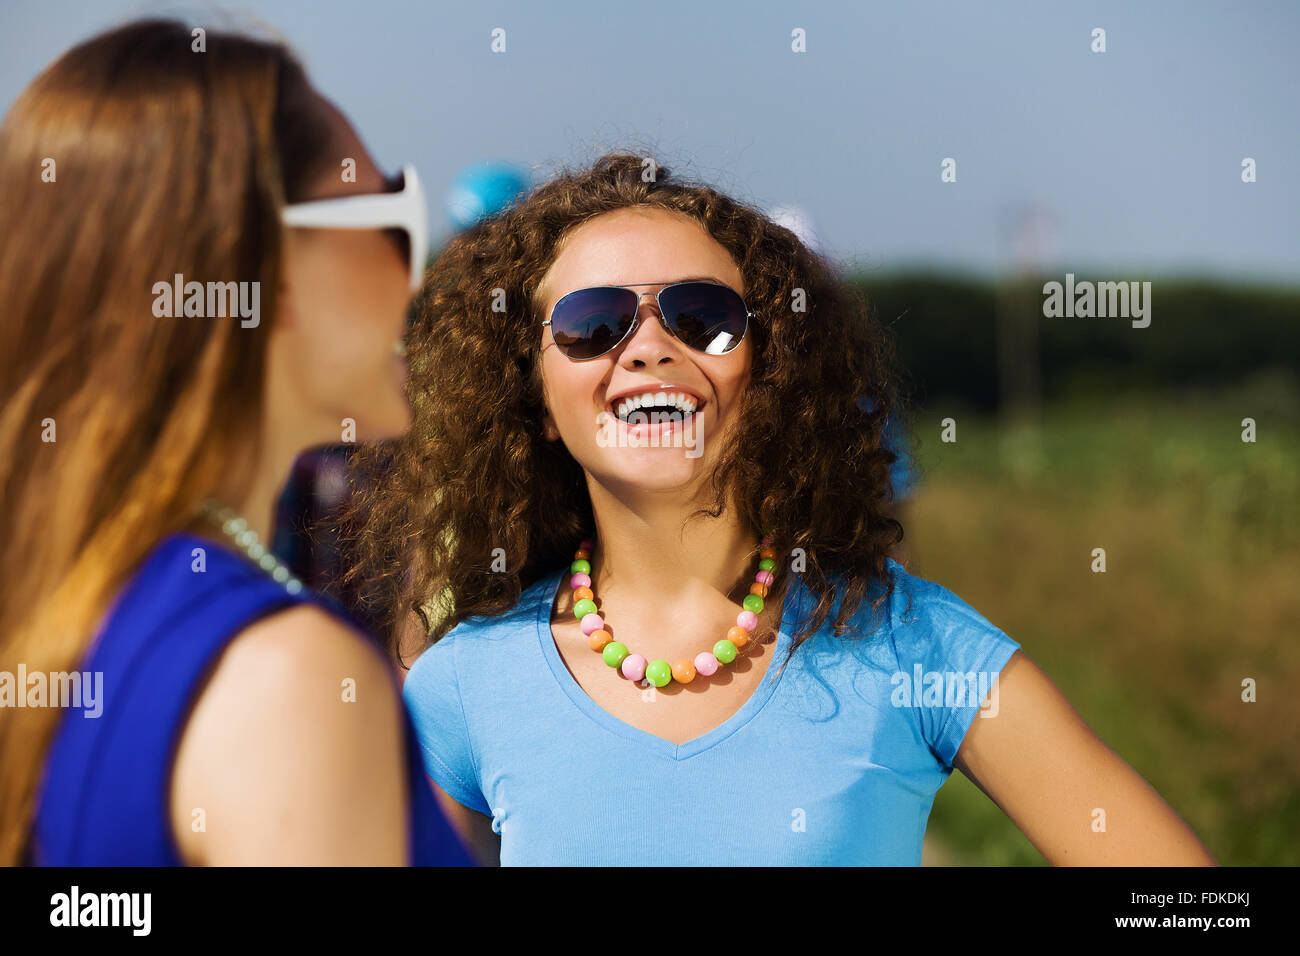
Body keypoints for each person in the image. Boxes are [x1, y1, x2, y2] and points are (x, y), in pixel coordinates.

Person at [346, 152, 1216, 866]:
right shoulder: (466, 682)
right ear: (536, 396)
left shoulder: (909, 641)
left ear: (769, 373)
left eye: (702, 317)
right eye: (591, 323)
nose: (649, 346)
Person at [0, 19, 470, 865]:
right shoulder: (287, 680)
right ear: (269, 269)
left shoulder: (66, 608)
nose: (421, 274)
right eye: (391, 215)